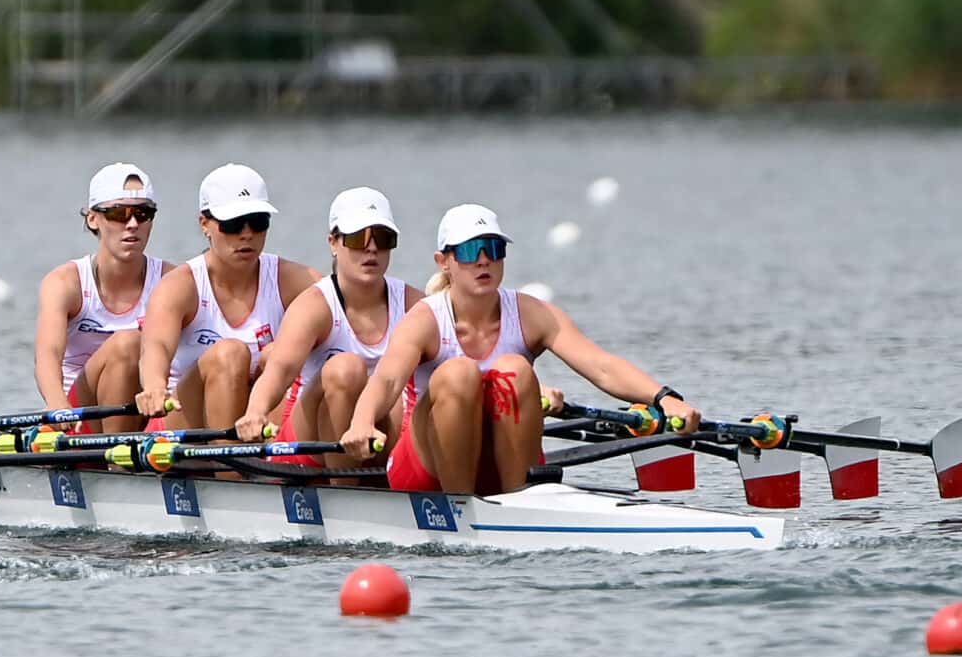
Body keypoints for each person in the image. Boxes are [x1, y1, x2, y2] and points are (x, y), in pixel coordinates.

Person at [345, 203, 704, 495]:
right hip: (427, 470)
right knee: (459, 372)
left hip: (500, 463)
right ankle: (462, 508)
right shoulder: (425, 320)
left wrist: (664, 398)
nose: (484, 260)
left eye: (494, 249)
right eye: (471, 250)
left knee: (515, 369)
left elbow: (602, 365)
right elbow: (387, 381)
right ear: (445, 262)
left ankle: (520, 500)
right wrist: (361, 422)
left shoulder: (531, 313)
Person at [234, 187, 418, 471]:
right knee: (346, 368)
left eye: (383, 239)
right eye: (358, 238)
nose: (371, 249)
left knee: (399, 395)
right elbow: (279, 371)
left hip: (379, 434)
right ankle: (344, 491)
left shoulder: (414, 304)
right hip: (309, 444)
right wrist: (256, 411)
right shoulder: (314, 305)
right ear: (333, 242)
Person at [134, 164, 320, 431]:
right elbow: (156, 348)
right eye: (233, 224)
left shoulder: (298, 280)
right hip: (182, 423)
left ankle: (274, 460)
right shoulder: (180, 286)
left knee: (278, 354)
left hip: (258, 420)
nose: (246, 234)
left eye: (257, 222)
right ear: (204, 224)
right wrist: (153, 386)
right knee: (230, 353)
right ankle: (234, 471)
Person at [33, 163, 174, 433]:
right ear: (93, 219)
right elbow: (47, 355)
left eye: (143, 214)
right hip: (76, 418)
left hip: (148, 413)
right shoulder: (65, 283)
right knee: (126, 344)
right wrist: (56, 403)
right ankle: (119, 465)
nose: (132, 224)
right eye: (119, 214)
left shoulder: (172, 280)